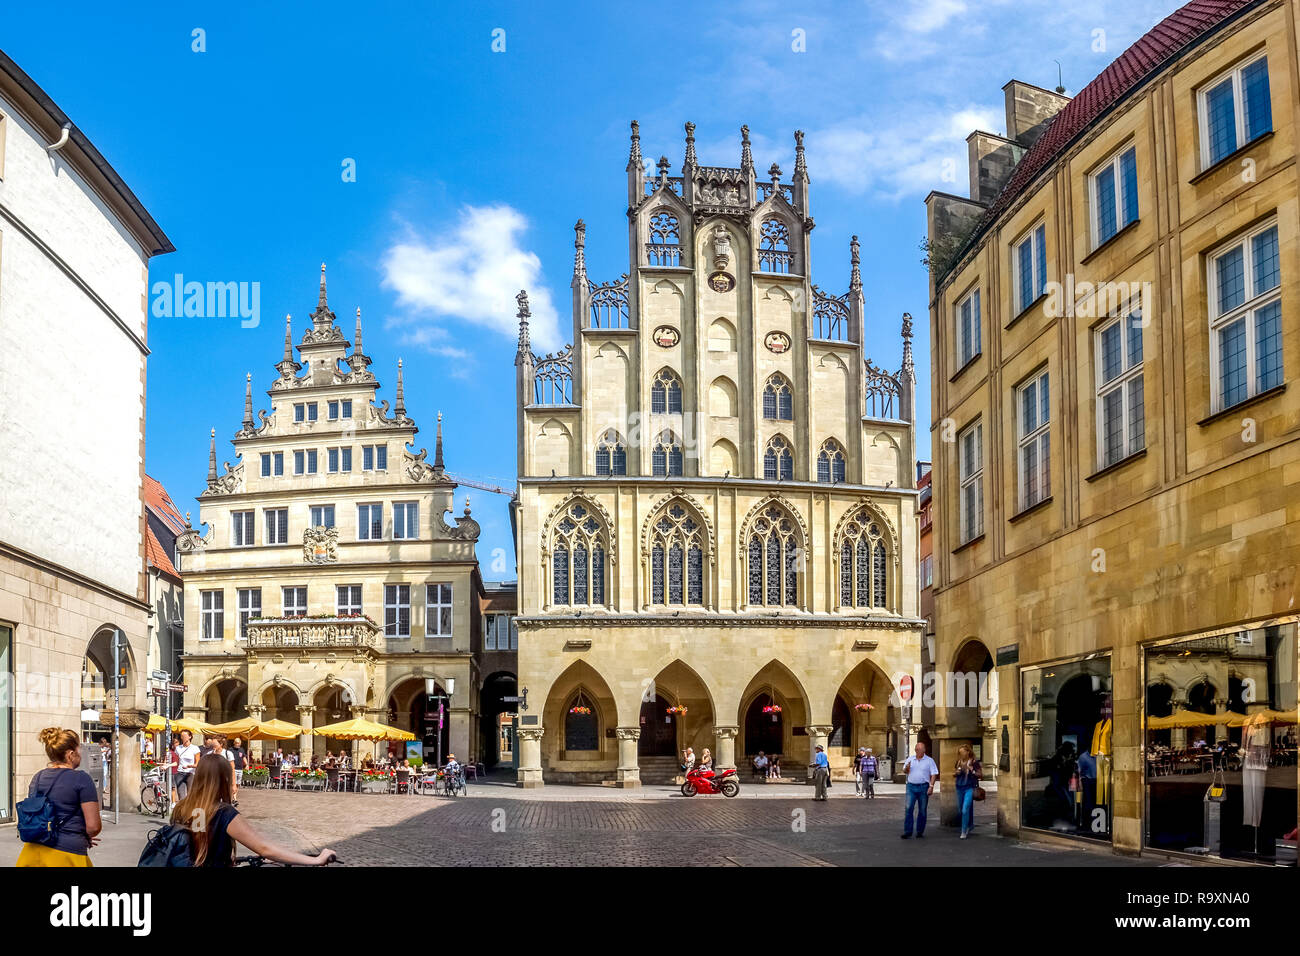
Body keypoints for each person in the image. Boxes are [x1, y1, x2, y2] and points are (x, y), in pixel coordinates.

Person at [172, 754, 336, 867]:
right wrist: (316, 860)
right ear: (224, 779)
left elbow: (199, 842)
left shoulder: (184, 807)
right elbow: (264, 848)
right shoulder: (223, 812)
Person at [17, 728, 102, 867]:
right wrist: (81, 834)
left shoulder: (37, 777)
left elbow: (37, 816)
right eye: (79, 749)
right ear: (70, 754)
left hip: (32, 853)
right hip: (67, 854)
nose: (81, 753)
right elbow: (93, 827)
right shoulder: (81, 779)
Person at [901, 742, 939, 838]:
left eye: (919, 749)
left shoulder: (929, 760)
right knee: (908, 808)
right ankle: (908, 831)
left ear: (924, 750)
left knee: (922, 809)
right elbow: (905, 771)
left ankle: (919, 831)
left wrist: (931, 786)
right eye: (916, 749)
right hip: (911, 786)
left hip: (923, 787)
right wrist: (907, 768)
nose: (917, 751)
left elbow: (934, 773)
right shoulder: (910, 759)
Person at [954, 743, 982, 838]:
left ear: (968, 752)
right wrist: (956, 773)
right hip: (959, 787)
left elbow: (980, 775)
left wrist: (972, 770)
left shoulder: (974, 762)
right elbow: (955, 773)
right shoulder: (958, 761)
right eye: (960, 752)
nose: (961, 754)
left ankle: (964, 830)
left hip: (969, 787)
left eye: (962, 752)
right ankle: (970, 824)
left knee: (965, 809)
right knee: (960, 810)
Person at [174, 730, 201, 800]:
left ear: (190, 737)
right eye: (182, 736)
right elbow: (176, 761)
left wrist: (190, 766)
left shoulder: (195, 748)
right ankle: (182, 810)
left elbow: (197, 764)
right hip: (180, 773)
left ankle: (191, 810)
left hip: (190, 773)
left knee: (191, 795)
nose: (183, 738)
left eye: (185, 736)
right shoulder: (178, 748)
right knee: (181, 796)